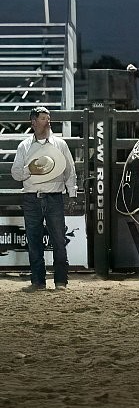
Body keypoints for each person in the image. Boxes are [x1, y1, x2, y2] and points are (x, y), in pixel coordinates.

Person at [11, 106, 76, 292]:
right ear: (33, 122)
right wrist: (30, 169)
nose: (48, 122)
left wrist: (71, 195)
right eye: (43, 119)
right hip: (32, 198)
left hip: (53, 196)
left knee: (58, 240)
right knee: (34, 241)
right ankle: (38, 281)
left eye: (48, 118)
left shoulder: (59, 144)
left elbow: (69, 171)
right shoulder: (24, 146)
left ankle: (60, 282)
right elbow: (16, 173)